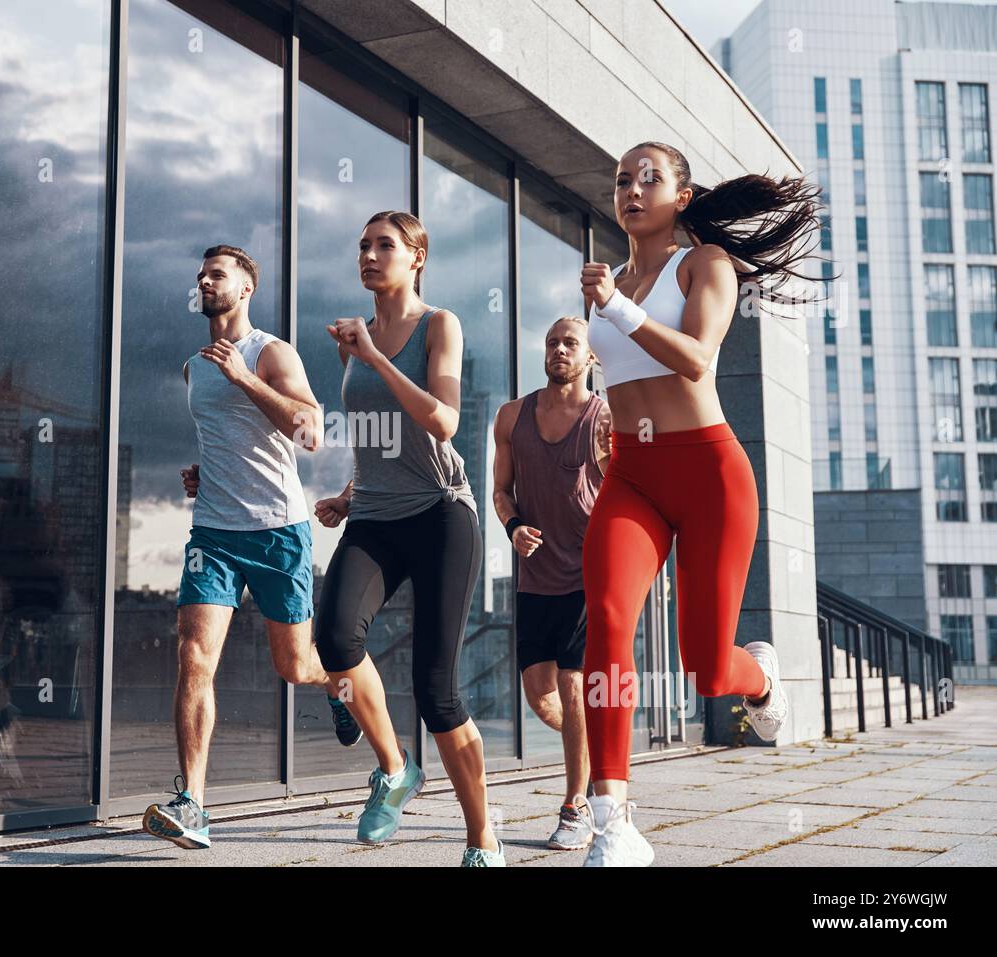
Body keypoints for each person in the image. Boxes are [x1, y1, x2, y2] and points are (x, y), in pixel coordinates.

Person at [577, 141, 820, 865]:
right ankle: (611, 818)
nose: (632, 188)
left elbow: (694, 357)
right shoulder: (611, 282)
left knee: (709, 669)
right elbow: (619, 378)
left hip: (710, 473)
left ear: (682, 198)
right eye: (622, 178)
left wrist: (616, 307)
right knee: (610, 622)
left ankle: (763, 677)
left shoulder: (703, 265)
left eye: (650, 177)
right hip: (632, 476)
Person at [142, 245, 360, 851]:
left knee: (294, 666)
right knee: (193, 656)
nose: (203, 280)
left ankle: (338, 688)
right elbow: (224, 439)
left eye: (218, 274)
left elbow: (311, 432)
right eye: (201, 273)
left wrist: (242, 376)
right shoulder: (194, 365)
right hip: (212, 531)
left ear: (245, 289)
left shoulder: (269, 352)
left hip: (277, 529)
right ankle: (193, 803)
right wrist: (201, 472)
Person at [313, 211, 503, 867]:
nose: (368, 253)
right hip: (374, 513)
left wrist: (371, 355)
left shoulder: (437, 326)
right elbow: (376, 435)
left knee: (436, 691)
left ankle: (482, 835)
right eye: (362, 244)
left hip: (441, 513)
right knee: (334, 638)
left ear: (416, 257)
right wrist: (347, 491)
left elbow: (442, 420)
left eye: (383, 245)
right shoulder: (353, 338)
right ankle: (395, 769)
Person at [492, 317, 611, 850]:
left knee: (572, 686)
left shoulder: (605, 418)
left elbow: (627, 490)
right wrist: (514, 528)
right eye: (552, 342)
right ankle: (597, 762)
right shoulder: (511, 416)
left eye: (570, 343)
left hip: (587, 575)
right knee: (541, 699)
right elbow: (500, 492)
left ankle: (576, 805)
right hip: (535, 579)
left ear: (590, 358)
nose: (559, 349)